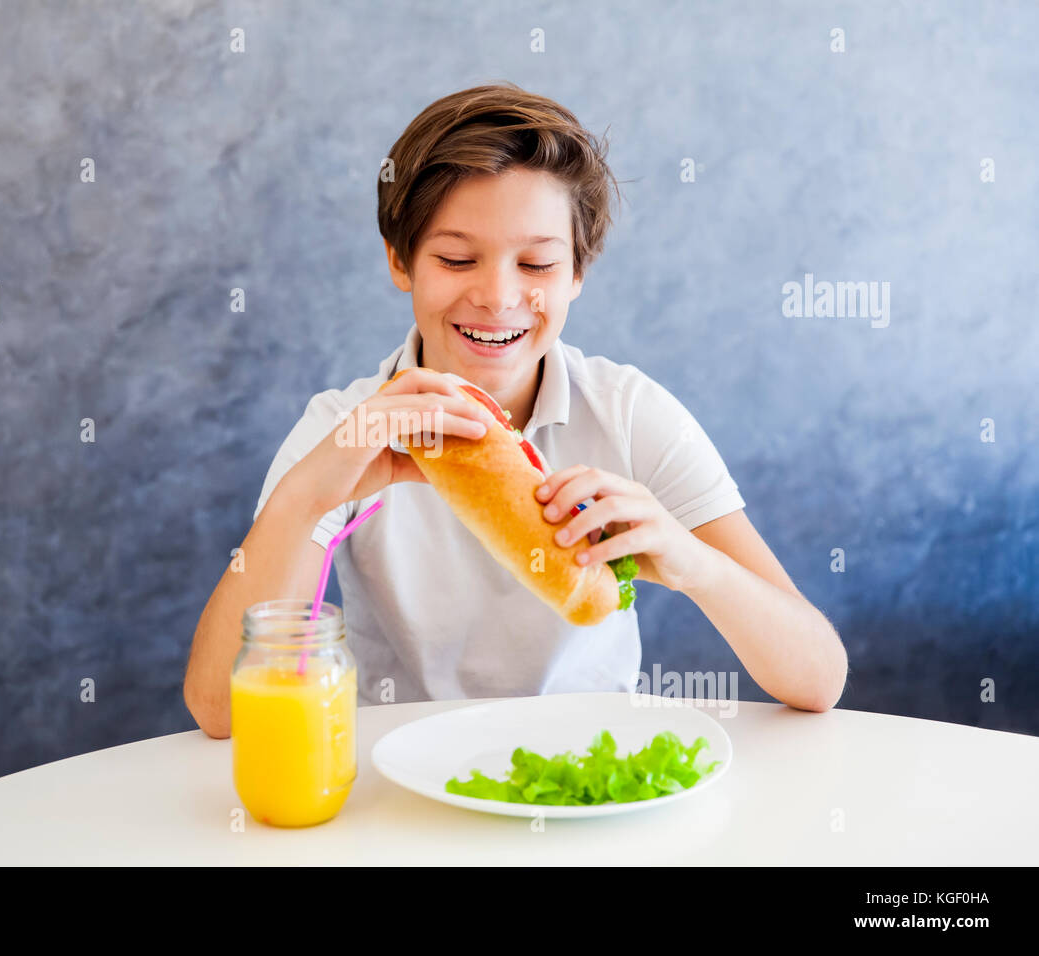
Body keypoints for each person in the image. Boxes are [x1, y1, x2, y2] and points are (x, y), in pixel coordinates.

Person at [185, 83, 847, 737]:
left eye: (536, 263)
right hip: (400, 792)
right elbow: (220, 710)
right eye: (456, 258)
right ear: (400, 261)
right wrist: (305, 499)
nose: (498, 297)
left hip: (587, 785)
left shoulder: (628, 414)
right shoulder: (345, 427)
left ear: (577, 273)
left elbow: (818, 679)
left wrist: (690, 561)